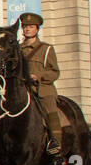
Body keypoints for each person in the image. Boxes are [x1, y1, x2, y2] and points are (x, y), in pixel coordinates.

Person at [19, 12, 62, 157]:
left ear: (37, 29)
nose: (27, 29)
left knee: (50, 107)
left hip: (42, 89)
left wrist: (38, 76)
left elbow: (55, 72)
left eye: (30, 26)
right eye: (25, 26)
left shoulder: (46, 49)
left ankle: (55, 142)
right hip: (23, 89)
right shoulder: (18, 50)